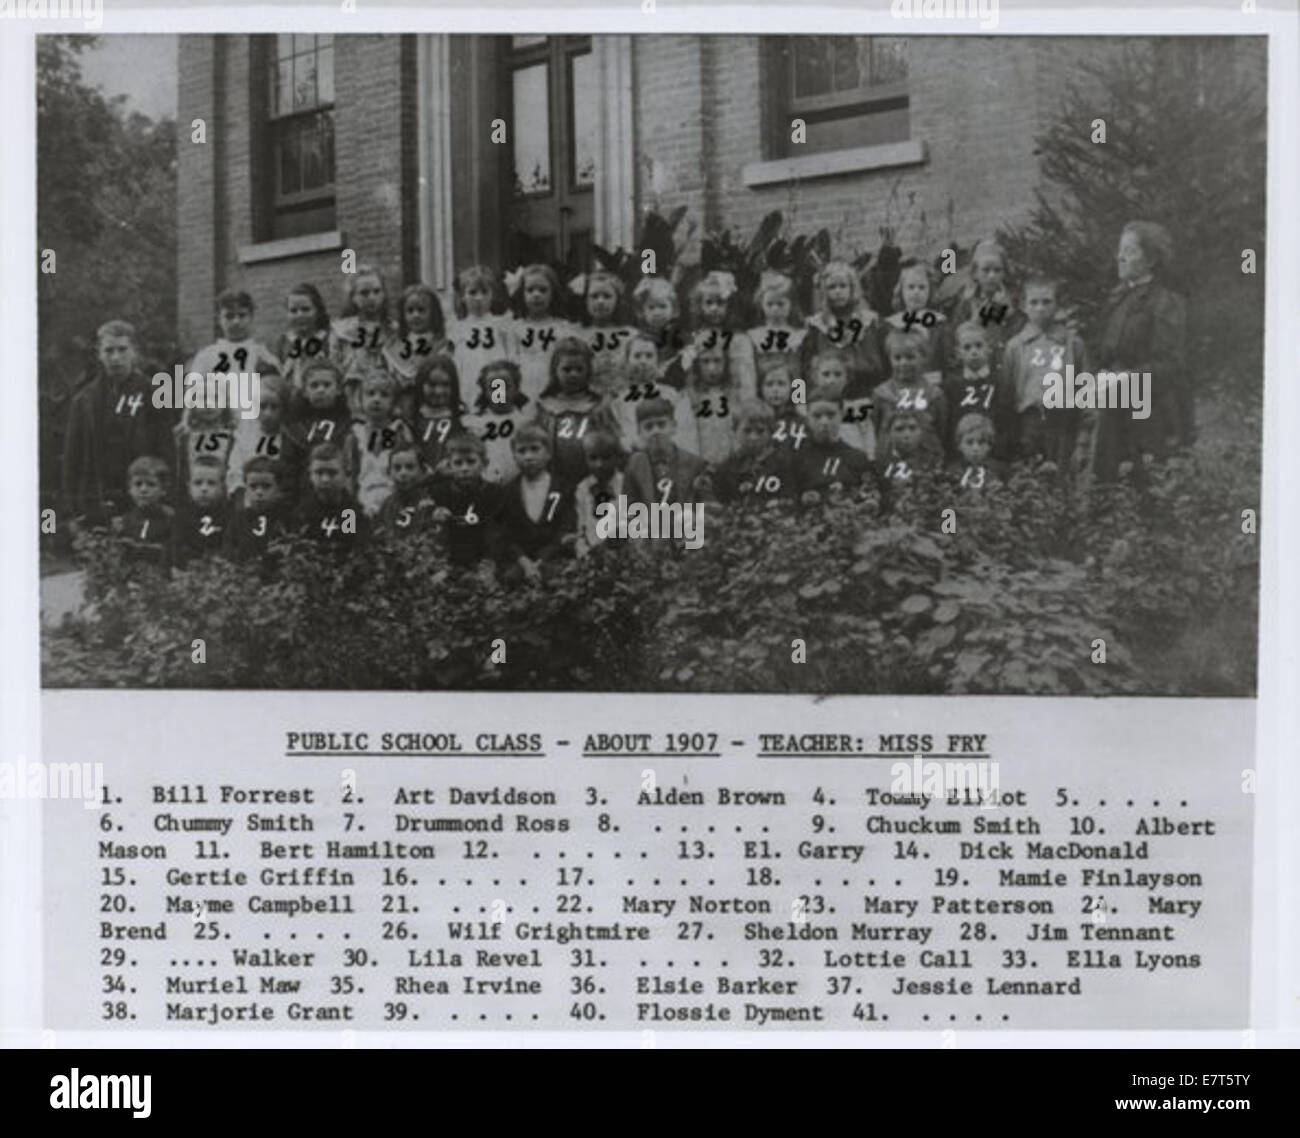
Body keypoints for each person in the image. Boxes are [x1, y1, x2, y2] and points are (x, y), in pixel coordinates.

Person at [1089, 220, 1188, 480]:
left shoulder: (1165, 303)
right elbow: (1101, 352)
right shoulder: (1116, 298)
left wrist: (1126, 379)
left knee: (1141, 487)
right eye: (1120, 250)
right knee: (1105, 485)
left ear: (1151, 259)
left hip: (1146, 412)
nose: (1120, 257)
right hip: (1110, 409)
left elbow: (1171, 365)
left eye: (1130, 251)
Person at [63, 320, 174, 526]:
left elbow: (167, 450)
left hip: (143, 498)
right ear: (99, 354)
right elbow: (73, 458)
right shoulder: (83, 400)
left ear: (134, 351)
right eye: (109, 351)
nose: (116, 358)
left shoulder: (154, 394)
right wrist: (73, 508)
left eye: (122, 350)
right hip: (97, 496)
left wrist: (166, 500)